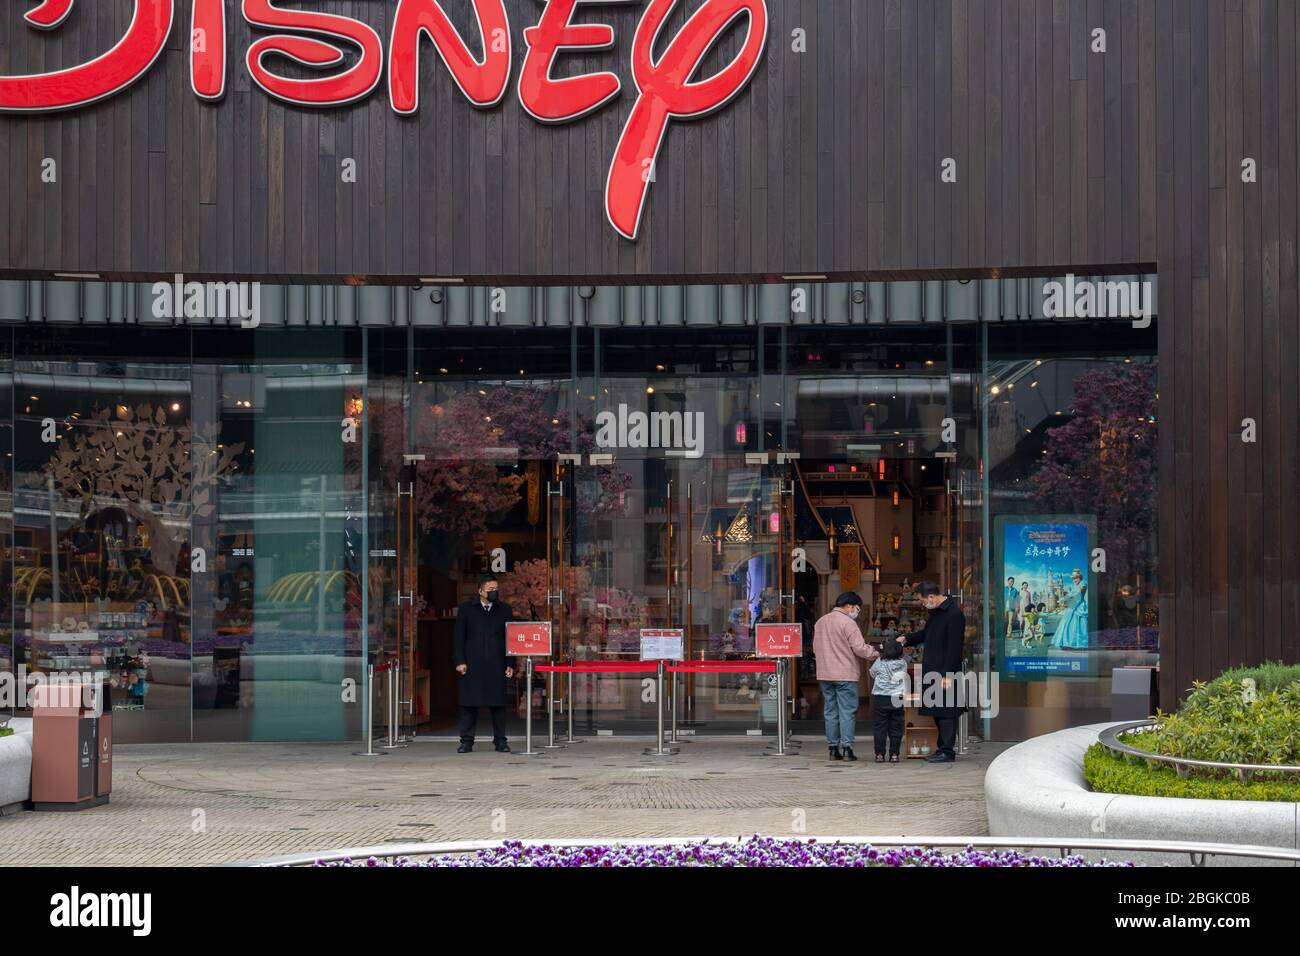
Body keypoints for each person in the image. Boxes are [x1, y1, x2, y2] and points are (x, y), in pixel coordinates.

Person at [898, 580, 965, 763]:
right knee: (938, 710)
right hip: (933, 668)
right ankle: (942, 748)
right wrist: (907, 639)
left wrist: (948, 675)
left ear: (931, 597)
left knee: (947, 712)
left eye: (922, 600)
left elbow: (955, 647)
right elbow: (927, 634)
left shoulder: (953, 614)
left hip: (945, 671)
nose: (922, 604)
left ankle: (947, 751)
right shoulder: (935, 612)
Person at [452, 577, 516, 754]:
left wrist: (510, 663)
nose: (494, 591)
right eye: (490, 589)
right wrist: (459, 661)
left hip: (497, 663)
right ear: (480, 591)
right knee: (469, 705)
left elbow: (510, 638)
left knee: (498, 705)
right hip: (472, 664)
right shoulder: (467, 610)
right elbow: (459, 638)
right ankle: (466, 741)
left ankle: (500, 741)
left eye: (496, 588)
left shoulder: (504, 609)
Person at [812, 591, 878, 762]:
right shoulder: (848, 623)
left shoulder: (820, 622)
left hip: (825, 674)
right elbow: (860, 648)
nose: (857, 611)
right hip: (845, 674)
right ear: (849, 606)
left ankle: (833, 749)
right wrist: (876, 653)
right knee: (847, 712)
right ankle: (847, 749)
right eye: (857, 608)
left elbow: (815, 648)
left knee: (830, 711)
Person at [869, 636, 908, 763]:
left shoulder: (879, 661)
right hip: (897, 698)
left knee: (880, 727)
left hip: (881, 698)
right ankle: (894, 754)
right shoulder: (903, 663)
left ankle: (879, 754)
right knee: (896, 727)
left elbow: (872, 673)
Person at [1051, 569, 1089, 649]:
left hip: (1079, 606)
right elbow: (1070, 594)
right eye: (1073, 578)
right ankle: (1066, 643)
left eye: (1076, 578)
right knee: (1066, 623)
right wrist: (1064, 600)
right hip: (1072, 605)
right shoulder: (1072, 585)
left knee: (1079, 625)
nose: (1074, 580)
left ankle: (1079, 643)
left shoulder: (1083, 583)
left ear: (1080, 577)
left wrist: (1065, 599)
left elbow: (1077, 593)